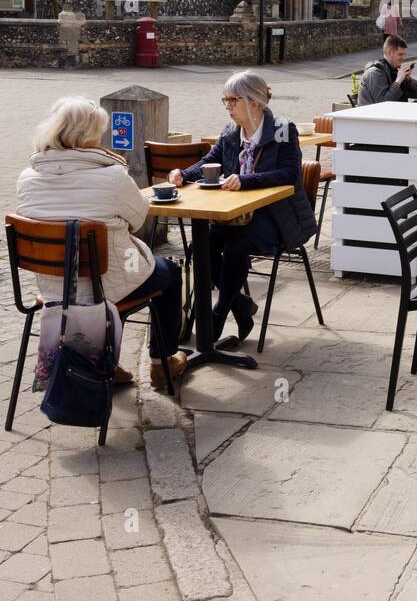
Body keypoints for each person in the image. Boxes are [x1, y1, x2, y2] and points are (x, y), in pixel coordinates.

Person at [15, 96, 186, 388]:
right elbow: (138, 218)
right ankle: (162, 363)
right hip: (104, 284)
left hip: (54, 286)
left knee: (111, 283)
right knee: (169, 274)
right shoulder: (112, 175)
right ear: (91, 135)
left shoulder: (27, 177)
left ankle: (104, 362)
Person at [169, 71, 316, 343]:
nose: (228, 107)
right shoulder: (230, 131)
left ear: (255, 102)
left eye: (233, 100)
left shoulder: (283, 129)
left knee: (237, 245)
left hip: (275, 215)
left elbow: (289, 174)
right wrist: (183, 173)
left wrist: (246, 181)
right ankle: (241, 306)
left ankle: (217, 316)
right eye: (225, 100)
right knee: (202, 247)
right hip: (235, 215)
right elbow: (210, 161)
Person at [357, 34, 417, 106]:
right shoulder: (375, 73)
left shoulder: (393, 70)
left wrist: (408, 79)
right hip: (372, 116)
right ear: (389, 52)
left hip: (393, 115)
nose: (403, 58)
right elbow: (383, 104)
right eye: (400, 54)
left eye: (404, 54)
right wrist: (398, 81)